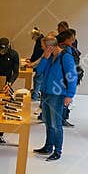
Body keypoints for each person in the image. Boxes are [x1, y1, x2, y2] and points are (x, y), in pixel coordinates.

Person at [33, 31, 77, 162]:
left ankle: (57, 151)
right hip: (46, 93)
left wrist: (69, 95)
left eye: (43, 47)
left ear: (50, 47)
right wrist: (45, 58)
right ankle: (48, 147)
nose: (41, 49)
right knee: (48, 122)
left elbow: (72, 76)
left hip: (58, 95)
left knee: (56, 124)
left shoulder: (66, 57)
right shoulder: (49, 57)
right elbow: (39, 71)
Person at [63, 27, 83, 128]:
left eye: (73, 38)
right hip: (65, 80)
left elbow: (73, 69)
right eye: (72, 38)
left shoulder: (70, 50)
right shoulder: (65, 49)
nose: (73, 40)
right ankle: (62, 118)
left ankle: (64, 118)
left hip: (68, 79)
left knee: (66, 102)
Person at [27, 27, 45, 101]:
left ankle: (35, 96)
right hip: (40, 64)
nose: (32, 39)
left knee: (38, 79)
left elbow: (40, 56)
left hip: (41, 65)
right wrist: (31, 60)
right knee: (37, 78)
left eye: (33, 37)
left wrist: (32, 64)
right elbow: (36, 53)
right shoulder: (39, 40)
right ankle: (36, 93)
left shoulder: (41, 41)